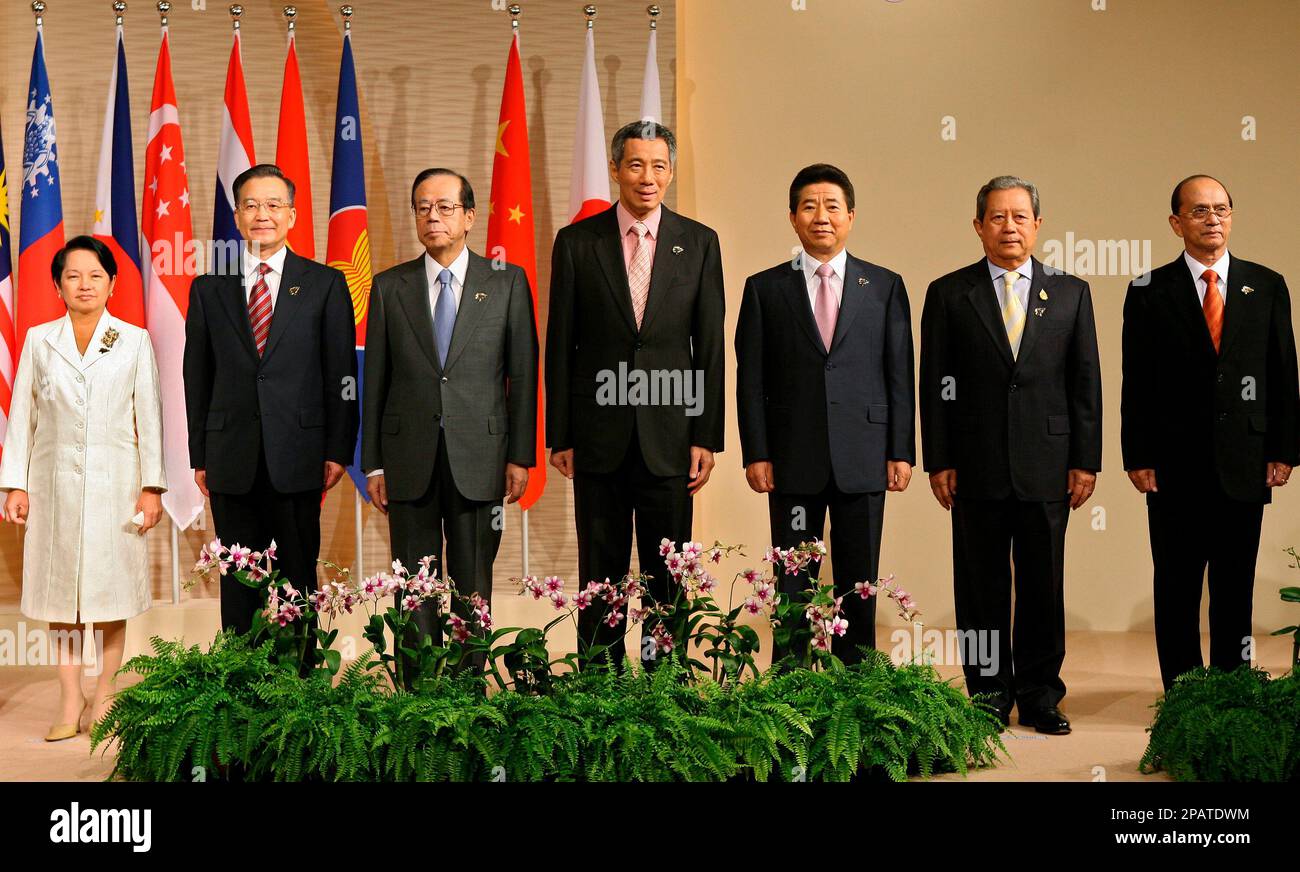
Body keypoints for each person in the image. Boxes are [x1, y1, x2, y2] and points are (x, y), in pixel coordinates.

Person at [919, 176, 1102, 734]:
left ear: (1038, 225)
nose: (1009, 227)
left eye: (1020, 216)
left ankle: (1042, 694)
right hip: (974, 465)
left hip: (1049, 462)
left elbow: (1085, 382)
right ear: (978, 226)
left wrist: (1085, 460)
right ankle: (989, 693)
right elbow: (936, 384)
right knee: (980, 586)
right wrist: (939, 459)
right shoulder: (949, 293)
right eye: (996, 217)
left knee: (1044, 583)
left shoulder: (1071, 293)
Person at [545, 120, 725, 667]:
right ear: (617, 169)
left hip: (671, 439)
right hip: (597, 438)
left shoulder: (699, 243)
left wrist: (705, 435)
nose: (648, 177)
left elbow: (711, 347)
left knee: (667, 573)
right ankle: (600, 686)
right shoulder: (578, 243)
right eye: (636, 165)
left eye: (660, 166)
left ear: (671, 172)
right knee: (598, 572)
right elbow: (560, 345)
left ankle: (662, 681)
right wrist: (561, 434)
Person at [1121, 174, 1299, 691]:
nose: (1212, 218)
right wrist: (1138, 454)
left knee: (1233, 586)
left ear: (1232, 216)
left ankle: (1230, 689)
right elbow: (1138, 380)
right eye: (1198, 211)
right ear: (1176, 222)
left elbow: (1283, 372)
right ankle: (1181, 695)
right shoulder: (1148, 290)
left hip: (1246, 462)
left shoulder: (1266, 284)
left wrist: (1283, 448)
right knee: (1176, 587)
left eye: (1221, 208)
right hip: (1174, 465)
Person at [361, 168, 538, 680]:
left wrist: (518, 456)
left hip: (480, 459)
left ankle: (465, 701)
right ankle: (418, 700)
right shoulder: (390, 287)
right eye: (422, 207)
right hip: (407, 459)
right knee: (412, 589)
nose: (432, 216)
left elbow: (523, 377)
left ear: (469, 217)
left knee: (471, 587)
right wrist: (373, 462)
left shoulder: (506, 283)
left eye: (443, 207)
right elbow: (376, 380)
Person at [735, 163, 915, 664]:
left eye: (833, 206)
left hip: (865, 456)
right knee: (792, 583)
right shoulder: (764, 289)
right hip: (793, 460)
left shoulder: (883, 286)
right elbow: (750, 380)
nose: (822, 217)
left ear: (851, 217)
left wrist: (901, 449)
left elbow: (900, 373)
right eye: (809, 207)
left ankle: (858, 686)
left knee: (860, 581)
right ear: (793, 218)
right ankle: (790, 684)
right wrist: (757, 452)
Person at [183, 163, 357, 661]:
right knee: (240, 581)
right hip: (230, 455)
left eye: (273, 205)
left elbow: (341, 374)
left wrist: (338, 450)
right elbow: (196, 379)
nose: (262, 215)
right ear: (237, 217)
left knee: (298, 577)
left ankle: (300, 686)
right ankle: (242, 681)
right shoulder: (208, 289)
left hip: (300, 456)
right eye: (251, 205)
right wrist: (201, 453)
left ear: (293, 216)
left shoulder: (324, 284)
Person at [0, 236, 166, 740]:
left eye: (95, 275)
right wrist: (15, 484)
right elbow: (22, 417)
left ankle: (107, 693)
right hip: (52, 489)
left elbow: (150, 420)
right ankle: (70, 698)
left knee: (109, 596)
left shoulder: (133, 340)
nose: (84, 284)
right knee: (61, 599)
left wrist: (152, 487)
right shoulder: (38, 339)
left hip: (117, 489)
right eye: (73, 276)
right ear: (57, 285)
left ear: (112, 283)